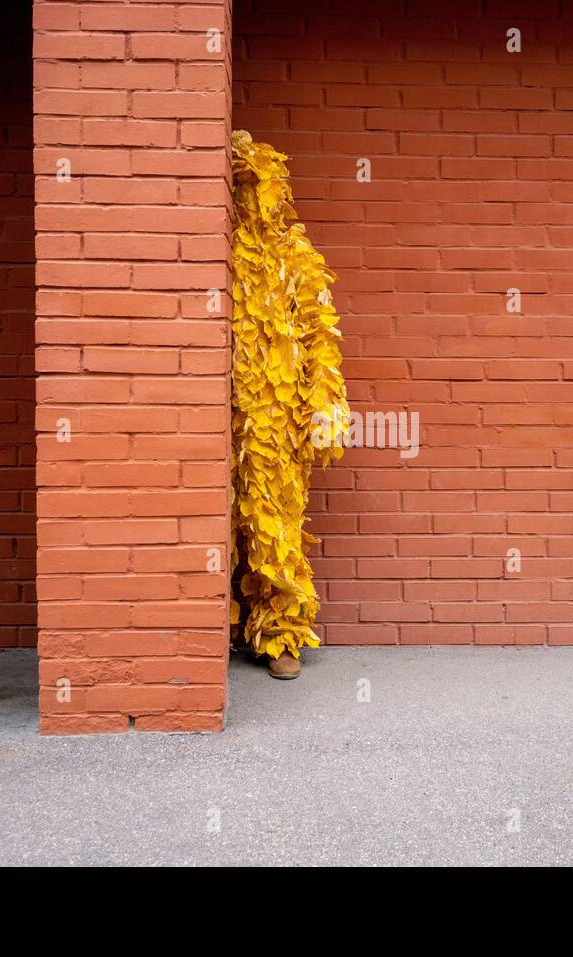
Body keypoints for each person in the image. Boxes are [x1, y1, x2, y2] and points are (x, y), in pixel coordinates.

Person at [228, 131, 349, 679]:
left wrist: (324, 408)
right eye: (243, 188)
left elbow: (319, 339)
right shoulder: (220, 256)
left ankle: (280, 634)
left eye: (262, 186)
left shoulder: (295, 257)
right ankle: (228, 626)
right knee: (222, 521)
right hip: (224, 413)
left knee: (275, 521)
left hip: (277, 422)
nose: (255, 199)